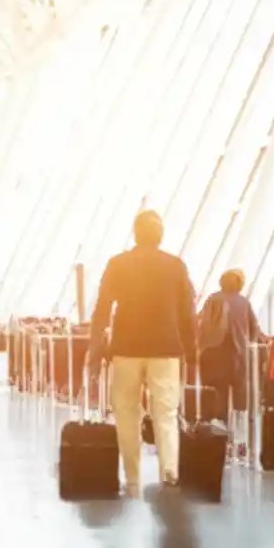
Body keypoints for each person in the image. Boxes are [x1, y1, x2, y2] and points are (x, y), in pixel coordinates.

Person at [88, 211, 196, 494]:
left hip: (126, 348)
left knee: (126, 412)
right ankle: (169, 470)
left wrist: (96, 347)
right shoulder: (176, 266)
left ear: (135, 233)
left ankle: (132, 476)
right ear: (160, 235)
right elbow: (188, 312)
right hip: (166, 349)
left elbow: (102, 308)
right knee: (166, 413)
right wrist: (190, 349)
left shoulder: (118, 264)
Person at [197, 269, 263, 432]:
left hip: (212, 354)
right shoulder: (244, 303)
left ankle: (212, 428)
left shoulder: (212, 299)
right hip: (237, 354)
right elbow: (254, 330)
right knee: (239, 393)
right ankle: (240, 429)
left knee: (216, 393)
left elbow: (202, 324)